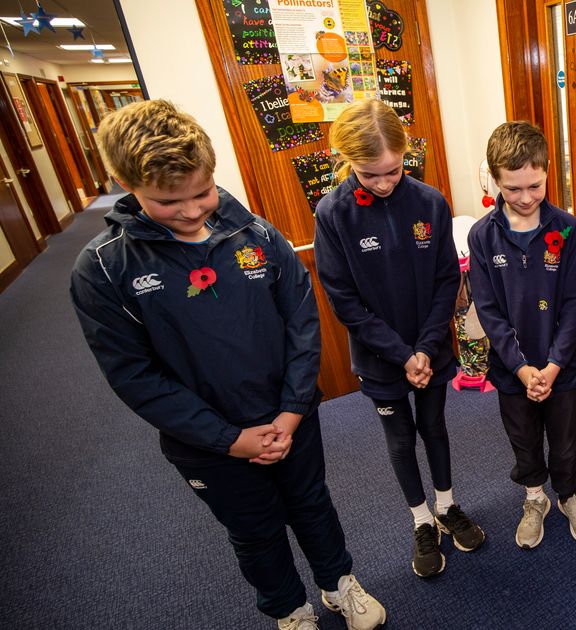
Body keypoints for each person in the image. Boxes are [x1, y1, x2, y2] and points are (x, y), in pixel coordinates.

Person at [70, 100, 385, 630]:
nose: (193, 211)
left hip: (291, 418)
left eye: (203, 192)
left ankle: (338, 584)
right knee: (255, 530)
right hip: (210, 443)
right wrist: (228, 439)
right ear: (126, 185)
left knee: (312, 504)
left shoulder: (256, 235)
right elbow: (134, 376)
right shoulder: (103, 268)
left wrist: (290, 412)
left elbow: (302, 323)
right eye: (170, 202)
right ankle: (289, 609)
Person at [313, 99, 485, 579]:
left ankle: (447, 507)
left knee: (434, 426)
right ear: (347, 162)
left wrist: (426, 348)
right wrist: (401, 354)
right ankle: (420, 519)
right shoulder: (333, 214)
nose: (386, 182)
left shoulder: (429, 201)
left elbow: (446, 280)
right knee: (399, 437)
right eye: (371, 175)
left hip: (430, 348)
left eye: (393, 170)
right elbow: (343, 300)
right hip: (380, 356)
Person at [468, 121, 576, 549]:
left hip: (562, 367)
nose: (525, 198)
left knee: (565, 443)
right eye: (512, 189)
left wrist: (555, 365)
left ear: (547, 173)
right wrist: (523, 370)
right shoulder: (483, 236)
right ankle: (534, 497)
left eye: (535, 186)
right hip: (511, 372)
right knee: (524, 442)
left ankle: (569, 495)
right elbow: (488, 311)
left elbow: (573, 304)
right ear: (495, 180)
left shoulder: (567, 229)